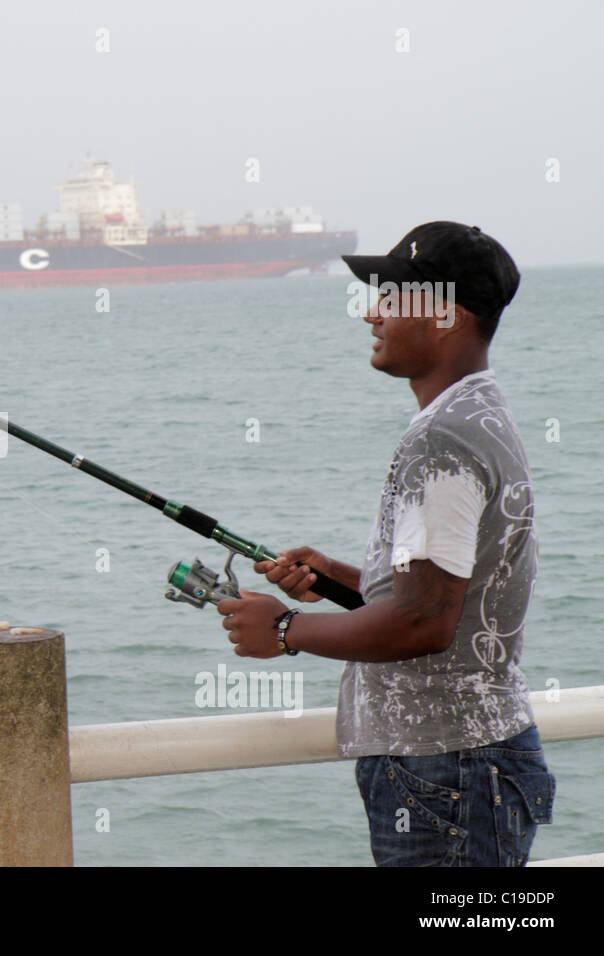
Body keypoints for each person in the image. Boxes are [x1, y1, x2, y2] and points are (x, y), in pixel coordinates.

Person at [217, 221, 555, 866]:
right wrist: (340, 579)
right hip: (469, 765)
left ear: (447, 317)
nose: (372, 313)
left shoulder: (442, 439)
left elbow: (424, 622)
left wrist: (287, 629)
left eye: (392, 298)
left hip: (446, 772)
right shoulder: (479, 413)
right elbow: (450, 593)